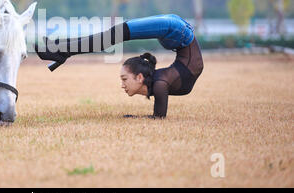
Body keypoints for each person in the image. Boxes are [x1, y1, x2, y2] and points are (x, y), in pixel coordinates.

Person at [34, 14, 204, 119]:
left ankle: (60, 49)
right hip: (177, 31)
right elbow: (159, 117)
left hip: (177, 32)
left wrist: (134, 117)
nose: (122, 85)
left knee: (112, 36)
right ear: (140, 77)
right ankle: (60, 49)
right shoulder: (160, 84)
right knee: (112, 35)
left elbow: (157, 118)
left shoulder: (160, 83)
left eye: (124, 79)